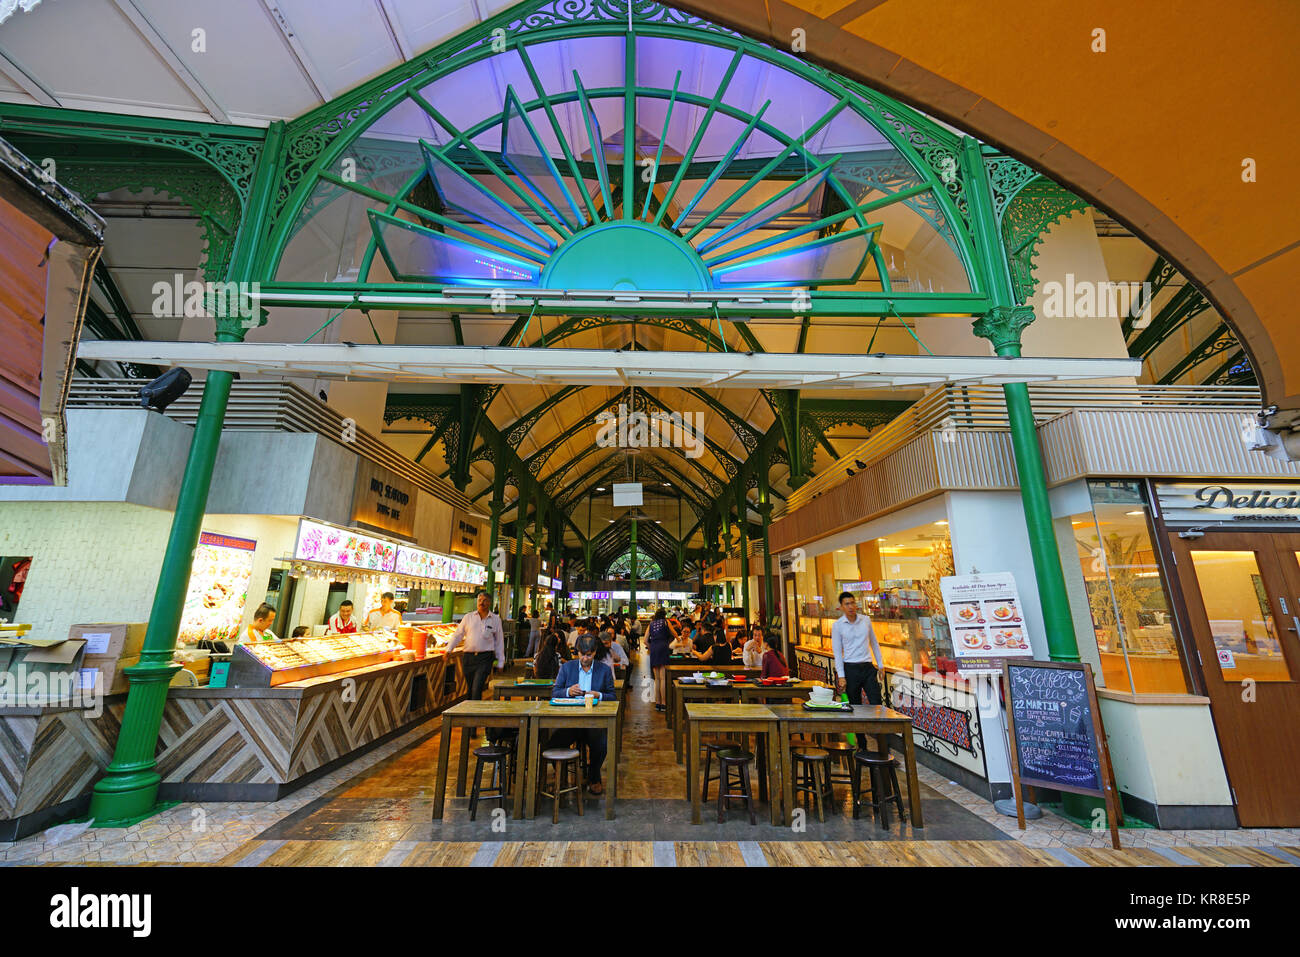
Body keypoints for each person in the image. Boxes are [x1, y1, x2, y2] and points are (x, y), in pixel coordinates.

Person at [549, 633, 616, 794]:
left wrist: (598, 695)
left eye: (589, 655)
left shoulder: (604, 670)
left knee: (601, 744)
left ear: (594, 652)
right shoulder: (567, 668)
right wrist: (568, 691)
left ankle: (594, 776)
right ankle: (561, 774)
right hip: (569, 721)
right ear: (576, 652)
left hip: (593, 722)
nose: (585, 658)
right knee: (553, 743)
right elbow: (555, 692)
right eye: (581, 654)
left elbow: (612, 697)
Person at [443, 590, 506, 701]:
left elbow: (499, 641)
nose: (482, 603)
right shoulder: (468, 617)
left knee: (477, 688)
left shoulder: (495, 620)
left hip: (485, 658)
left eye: (485, 600)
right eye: (480, 600)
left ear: (489, 603)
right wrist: (449, 649)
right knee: (471, 687)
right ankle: (471, 711)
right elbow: (458, 634)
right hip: (468, 658)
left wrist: (501, 662)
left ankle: (473, 715)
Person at [832, 590, 884, 705]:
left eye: (852, 603)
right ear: (841, 607)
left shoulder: (865, 620)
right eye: (847, 604)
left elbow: (874, 643)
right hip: (851, 669)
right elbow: (837, 653)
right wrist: (841, 676)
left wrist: (880, 664)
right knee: (855, 705)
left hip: (868, 667)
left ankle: (878, 723)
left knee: (876, 701)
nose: (851, 607)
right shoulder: (837, 625)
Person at [645, 608, 678, 712]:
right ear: (664, 615)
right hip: (663, 647)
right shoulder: (666, 622)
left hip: (654, 648)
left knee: (657, 678)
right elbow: (675, 634)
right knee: (663, 678)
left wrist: (652, 648)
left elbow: (645, 641)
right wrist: (678, 639)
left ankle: (657, 703)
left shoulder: (651, 624)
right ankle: (664, 703)